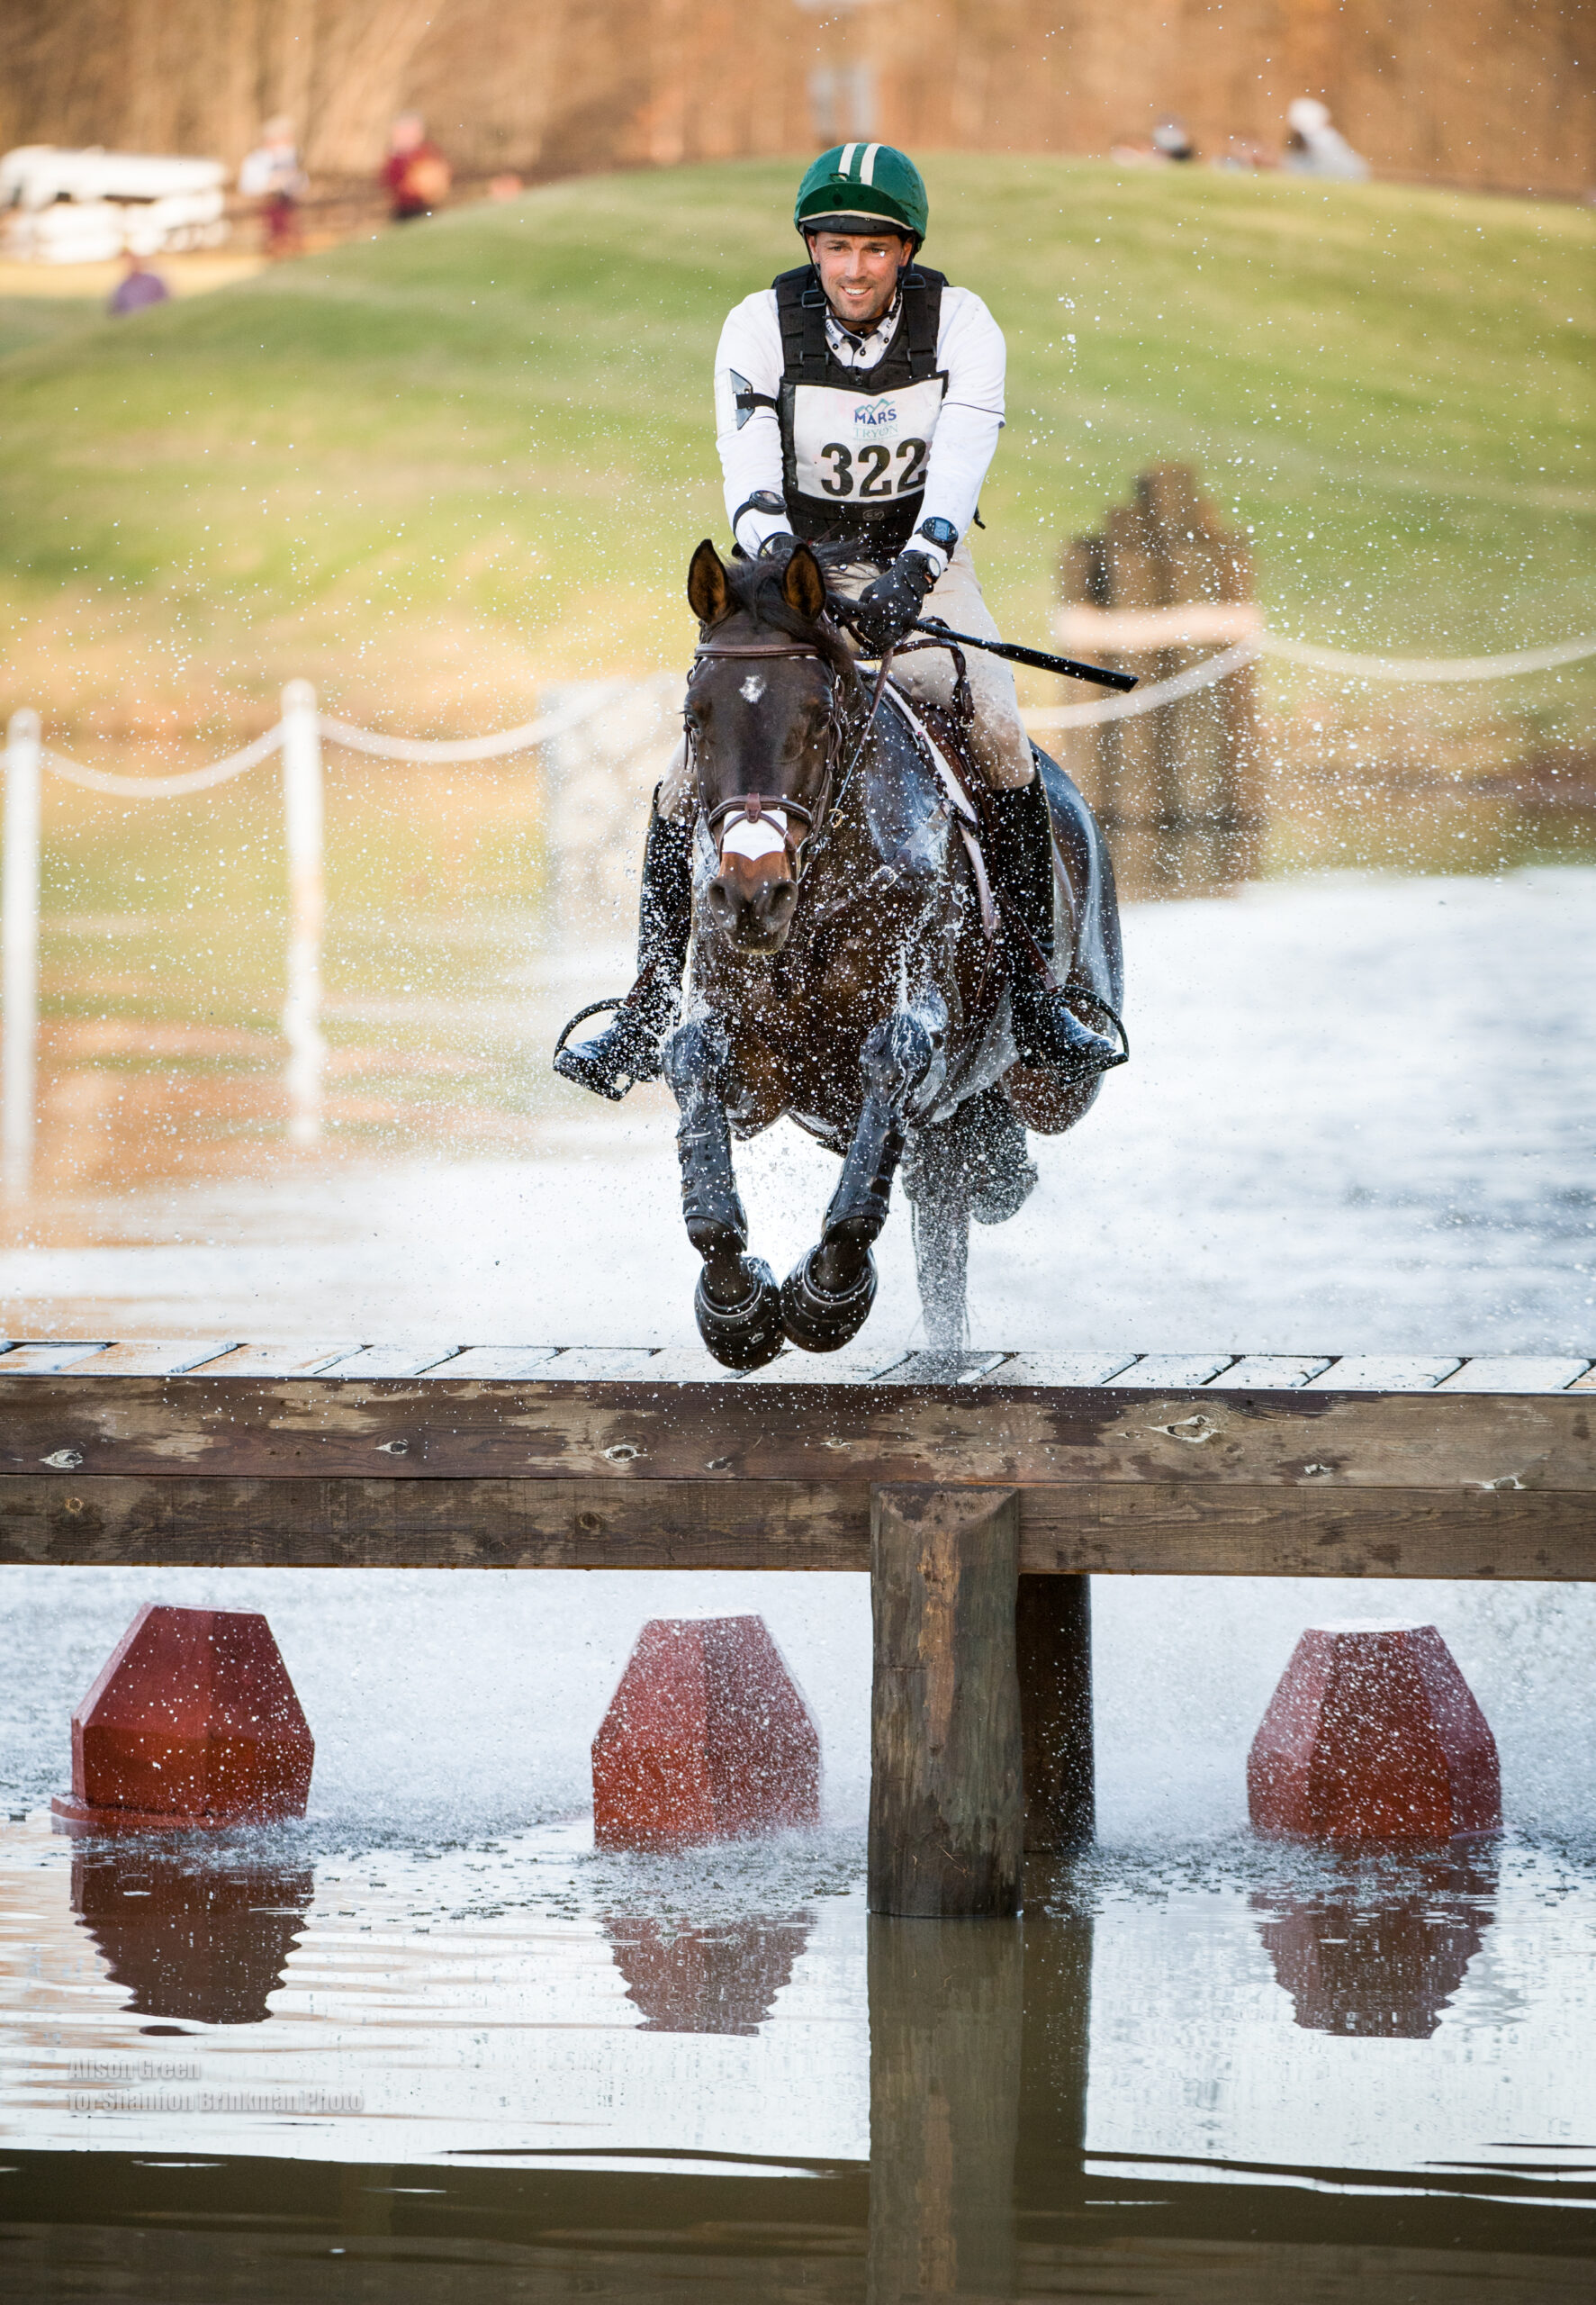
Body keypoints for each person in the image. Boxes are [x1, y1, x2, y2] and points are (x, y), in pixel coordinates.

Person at [555, 143, 1123, 1100]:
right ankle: (649, 1004)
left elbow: (959, 465)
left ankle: (1033, 994)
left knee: (999, 732)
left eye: (874, 248)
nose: (854, 269)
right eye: (834, 247)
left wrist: (912, 572)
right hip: (788, 580)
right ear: (811, 249)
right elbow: (748, 472)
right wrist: (789, 575)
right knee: (685, 775)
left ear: (906, 250)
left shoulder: (962, 325)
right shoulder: (758, 326)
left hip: (919, 571)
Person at [238, 116, 305, 258]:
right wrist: (270, 184)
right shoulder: (256, 160)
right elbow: (248, 186)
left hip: (287, 203)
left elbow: (302, 183)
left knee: (290, 239)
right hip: (267, 204)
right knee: (275, 241)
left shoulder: (290, 158)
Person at [383, 114, 451, 222]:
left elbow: (440, 174)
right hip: (405, 209)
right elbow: (393, 182)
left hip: (427, 206)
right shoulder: (395, 158)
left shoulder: (427, 152)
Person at [106, 249, 171, 315]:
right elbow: (115, 311)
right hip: (132, 321)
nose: (130, 264)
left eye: (133, 261)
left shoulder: (154, 281)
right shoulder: (122, 288)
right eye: (127, 262)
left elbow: (166, 303)